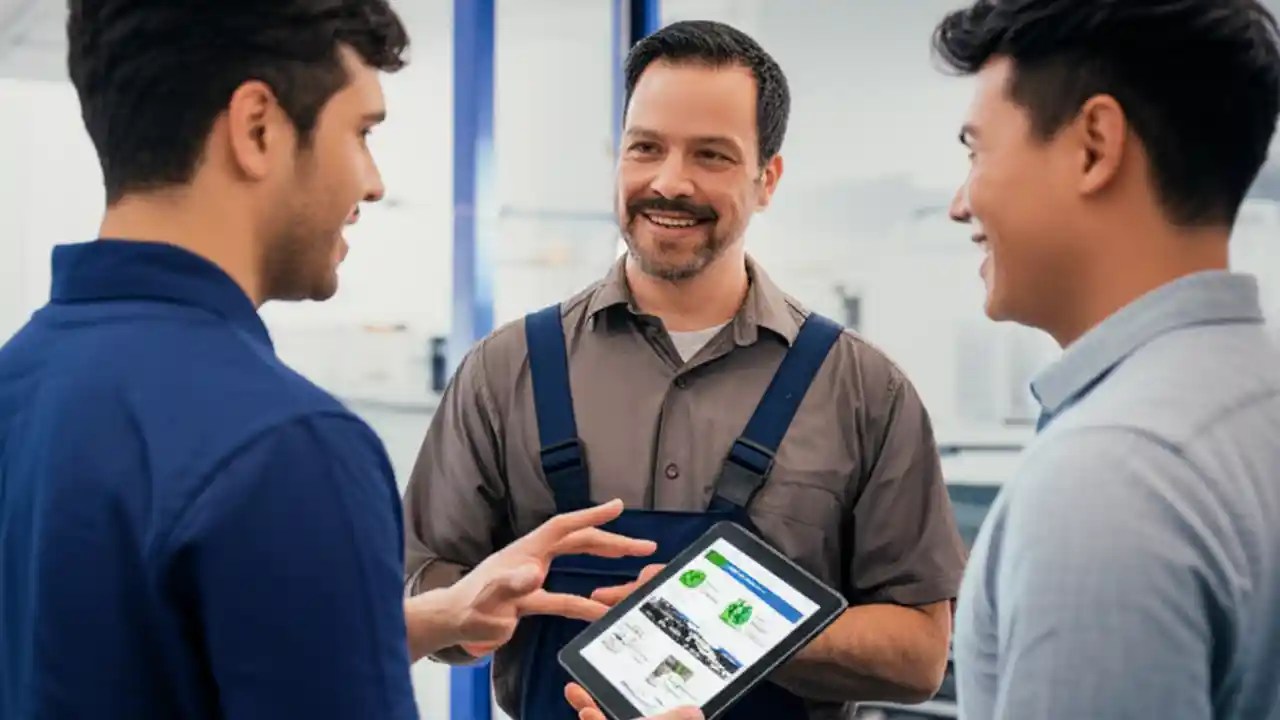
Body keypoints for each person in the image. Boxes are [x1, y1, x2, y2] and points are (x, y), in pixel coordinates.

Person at [0, 2, 676, 719]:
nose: (374, 181)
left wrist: (437, 616)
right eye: (361, 133)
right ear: (257, 128)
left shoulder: (23, 382)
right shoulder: (287, 448)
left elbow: (130, 661)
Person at [403, 19, 967, 720]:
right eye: (646, 148)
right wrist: (473, 610)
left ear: (768, 179)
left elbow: (918, 656)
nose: (670, 181)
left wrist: (728, 625)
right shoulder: (503, 371)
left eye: (711, 155)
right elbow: (423, 598)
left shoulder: (864, 391)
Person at [931, 0, 1280, 718]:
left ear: (1094, 145)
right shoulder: (1253, 406)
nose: (960, 205)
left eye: (978, 152)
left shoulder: (1110, 476)